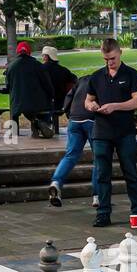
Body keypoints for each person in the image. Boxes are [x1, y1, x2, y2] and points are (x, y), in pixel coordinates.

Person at [85, 38, 137, 228]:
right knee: (103, 174)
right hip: (101, 132)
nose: (109, 62)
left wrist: (116, 106)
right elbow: (87, 101)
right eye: (105, 59)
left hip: (125, 131)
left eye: (112, 58)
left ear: (120, 53)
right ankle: (103, 213)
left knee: (131, 172)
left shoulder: (131, 74)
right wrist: (92, 105)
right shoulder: (96, 77)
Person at [48, 74, 94, 206]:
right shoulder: (101, 80)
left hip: (75, 120)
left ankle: (56, 182)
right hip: (92, 119)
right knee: (98, 158)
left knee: (70, 155)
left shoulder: (82, 80)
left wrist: (70, 114)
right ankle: (97, 194)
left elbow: (69, 96)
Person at [4, 41, 54, 137]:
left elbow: (8, 86)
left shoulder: (10, 67)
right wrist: (51, 95)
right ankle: (40, 123)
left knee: (24, 107)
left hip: (17, 104)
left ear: (18, 52)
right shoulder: (38, 65)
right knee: (47, 105)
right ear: (29, 52)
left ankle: (34, 123)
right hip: (37, 102)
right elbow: (47, 84)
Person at [40, 45, 77, 122]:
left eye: (43, 55)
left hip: (44, 103)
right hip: (61, 103)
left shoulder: (40, 69)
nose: (42, 58)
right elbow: (75, 80)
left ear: (47, 57)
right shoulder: (64, 70)